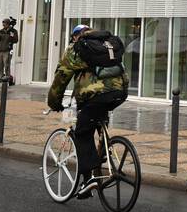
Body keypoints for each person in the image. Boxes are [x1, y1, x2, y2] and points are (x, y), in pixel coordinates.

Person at [47, 25, 130, 197]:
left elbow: (61, 78)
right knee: (97, 116)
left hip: (94, 96)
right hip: (119, 92)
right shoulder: (107, 45)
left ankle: (91, 177)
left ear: (76, 36)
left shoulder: (76, 48)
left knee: (83, 133)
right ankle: (102, 150)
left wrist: (54, 103)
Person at [0, 17, 18, 84]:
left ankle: (7, 79)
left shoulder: (13, 31)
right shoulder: (1, 31)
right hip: (0, 51)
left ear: (8, 24)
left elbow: (16, 40)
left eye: (4, 24)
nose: (3, 25)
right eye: (3, 24)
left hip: (8, 50)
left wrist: (11, 36)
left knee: (7, 65)